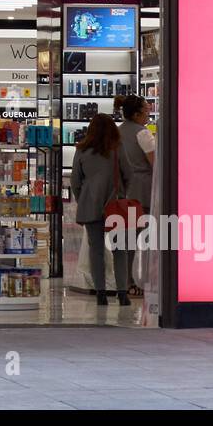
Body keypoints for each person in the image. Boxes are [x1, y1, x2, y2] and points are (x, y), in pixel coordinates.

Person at [72, 113, 131, 306]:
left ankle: (101, 293)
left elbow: (75, 182)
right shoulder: (117, 148)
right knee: (120, 249)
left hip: (91, 204)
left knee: (96, 250)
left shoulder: (81, 150)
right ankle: (122, 292)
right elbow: (128, 174)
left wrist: (84, 200)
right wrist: (122, 193)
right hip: (116, 205)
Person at [117, 94, 156, 297]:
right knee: (145, 239)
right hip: (143, 191)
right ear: (137, 113)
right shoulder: (143, 134)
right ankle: (139, 280)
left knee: (127, 239)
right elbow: (155, 163)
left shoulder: (117, 132)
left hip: (123, 190)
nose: (148, 113)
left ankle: (125, 281)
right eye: (146, 110)